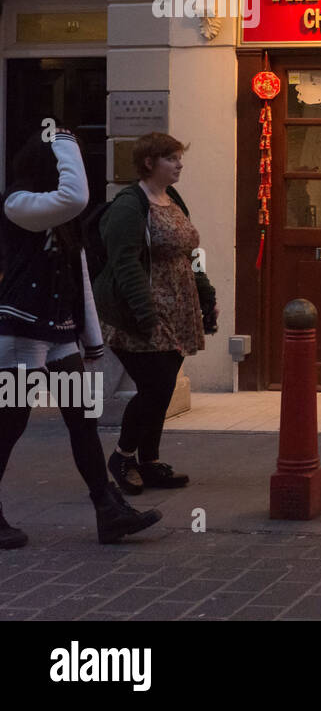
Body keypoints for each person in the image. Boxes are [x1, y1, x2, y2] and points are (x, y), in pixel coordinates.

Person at [0, 128, 161, 547]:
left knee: (82, 421)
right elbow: (74, 195)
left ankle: (108, 511)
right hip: (19, 332)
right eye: (61, 161)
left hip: (58, 334)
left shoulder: (61, 217)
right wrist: (66, 139)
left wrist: (90, 340)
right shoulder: (18, 202)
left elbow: (81, 278)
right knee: (10, 424)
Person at [94, 132, 215, 496]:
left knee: (160, 390)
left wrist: (205, 291)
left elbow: (186, 252)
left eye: (179, 158)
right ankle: (122, 456)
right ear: (149, 163)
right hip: (141, 308)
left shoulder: (171, 198)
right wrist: (144, 313)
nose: (179, 164)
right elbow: (125, 263)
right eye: (172, 159)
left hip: (178, 306)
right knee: (155, 387)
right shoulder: (129, 205)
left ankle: (149, 461)